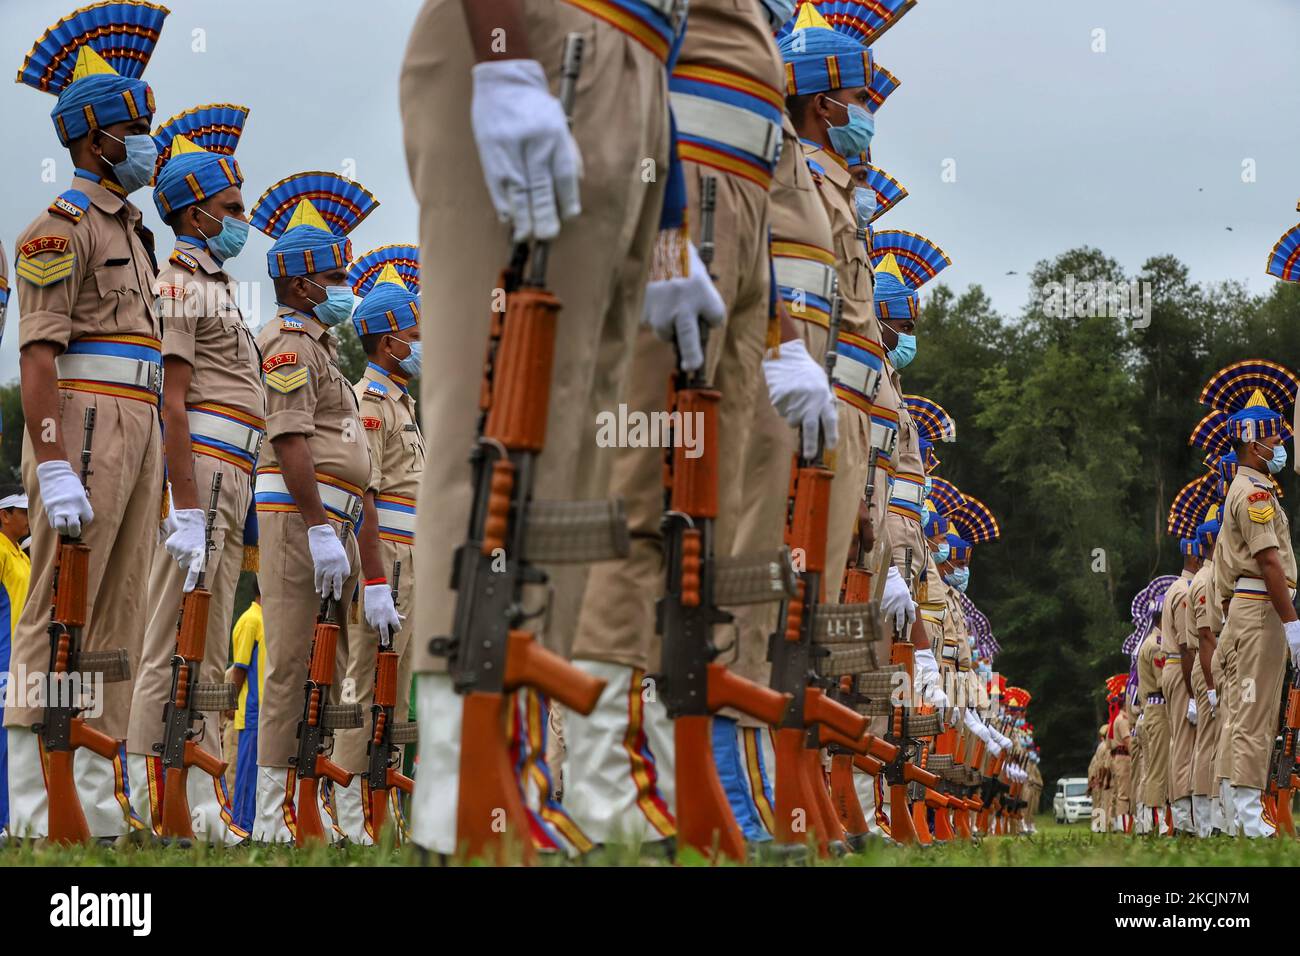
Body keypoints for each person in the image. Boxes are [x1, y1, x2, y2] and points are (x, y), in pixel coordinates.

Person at [399, 0, 677, 857]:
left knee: (568, 450)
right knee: (487, 419)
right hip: (542, 36)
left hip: (635, 65)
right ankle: (459, 787)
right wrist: (501, 54)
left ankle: (511, 760)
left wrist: (668, 227)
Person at [7, 3, 169, 840]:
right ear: (92, 135)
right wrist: (54, 460)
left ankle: (98, 807)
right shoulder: (56, 231)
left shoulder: (136, 235)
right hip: (86, 427)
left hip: (138, 429)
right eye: (135, 125)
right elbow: (39, 358)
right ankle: (38, 809)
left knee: (114, 618)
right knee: (53, 609)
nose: (147, 140)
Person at [247, 173, 400, 843]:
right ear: (302, 282)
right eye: (335, 275)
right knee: (288, 663)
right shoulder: (286, 343)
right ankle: (274, 806)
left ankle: (310, 802)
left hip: (331, 523)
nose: (344, 287)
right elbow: (287, 439)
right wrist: (317, 529)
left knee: (326, 667)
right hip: (297, 521)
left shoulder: (321, 349)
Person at [124, 105, 261, 845]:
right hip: (200, 470)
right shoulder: (180, 281)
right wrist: (183, 503)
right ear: (195, 210)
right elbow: (170, 401)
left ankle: (202, 801)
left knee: (206, 649)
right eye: (231, 207)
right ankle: (151, 794)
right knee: (168, 635)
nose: (242, 218)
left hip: (232, 470)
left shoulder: (217, 285)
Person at [330, 248, 425, 844]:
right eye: (414, 335)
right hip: (383, 553)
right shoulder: (369, 403)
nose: (421, 345)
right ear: (389, 341)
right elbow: (364, 492)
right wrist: (373, 579)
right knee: (363, 682)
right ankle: (345, 804)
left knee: (398, 687)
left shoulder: (405, 404)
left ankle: (381, 801)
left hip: (409, 553)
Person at [1203, 374, 1299, 838]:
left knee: (1241, 711)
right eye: (1275, 435)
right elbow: (1270, 562)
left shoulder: (1242, 489)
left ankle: (1230, 807)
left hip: (1248, 612)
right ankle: (1244, 812)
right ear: (1255, 442)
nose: (1281, 442)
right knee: (1256, 711)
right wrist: (1293, 624)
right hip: (1262, 612)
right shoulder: (1256, 493)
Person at [0, 488, 31, 837]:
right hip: (4, 661)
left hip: (21, 661)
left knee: (14, 745)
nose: (27, 516)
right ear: (4, 515)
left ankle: (11, 819)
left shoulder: (21, 555)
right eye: (20, 512)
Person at [228, 582, 264, 836]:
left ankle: (253, 825)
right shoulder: (251, 619)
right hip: (251, 710)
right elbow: (239, 667)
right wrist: (230, 702)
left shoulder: (266, 619)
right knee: (246, 774)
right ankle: (240, 825)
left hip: (266, 713)